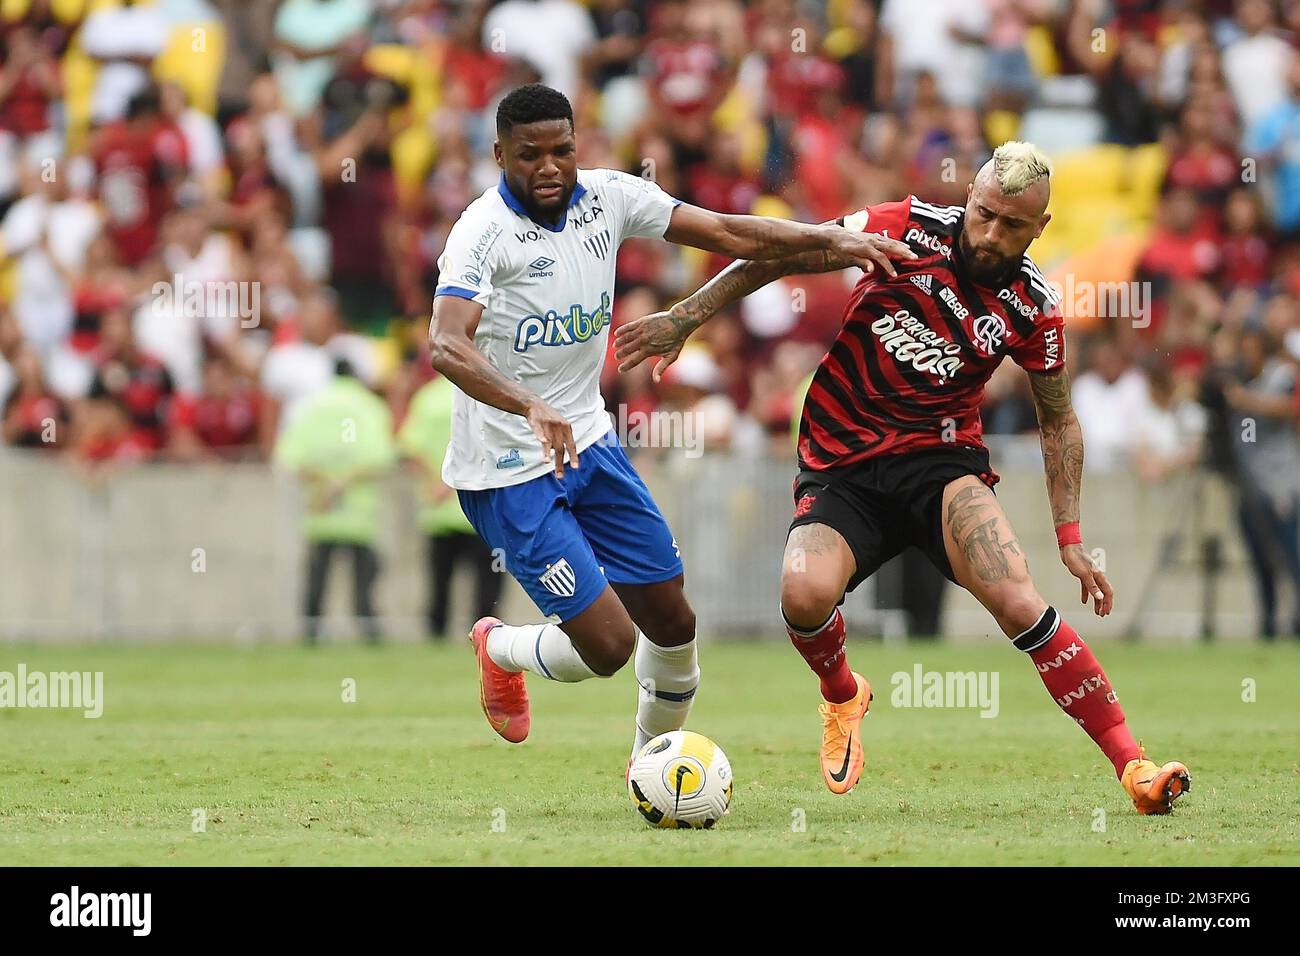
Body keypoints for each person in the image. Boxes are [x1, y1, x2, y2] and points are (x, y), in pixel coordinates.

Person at [615, 141, 1192, 814]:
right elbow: (783, 253)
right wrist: (684, 316)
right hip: (843, 464)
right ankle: (842, 695)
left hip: (940, 466)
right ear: (969, 199)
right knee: (802, 596)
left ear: (1040, 228)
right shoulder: (905, 229)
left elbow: (1059, 420)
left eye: (1011, 225)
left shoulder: (1033, 307)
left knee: (1019, 604)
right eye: (984, 213)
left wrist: (1069, 534)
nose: (990, 233)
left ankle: (1135, 769)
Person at [428, 83, 909, 766]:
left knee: (675, 623)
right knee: (610, 646)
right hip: (506, 470)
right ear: (500, 154)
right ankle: (499, 646)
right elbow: (446, 344)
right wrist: (527, 404)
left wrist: (830, 239)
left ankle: (648, 768)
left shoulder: (608, 198)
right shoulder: (481, 233)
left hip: (588, 442)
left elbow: (726, 231)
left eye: (562, 150)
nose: (549, 167)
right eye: (529, 154)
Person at [275, 358, 397, 644]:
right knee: (364, 581)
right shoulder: (370, 407)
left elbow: (289, 460)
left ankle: (310, 632)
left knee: (317, 578)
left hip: (320, 511)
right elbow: (381, 458)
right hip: (360, 515)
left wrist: (327, 485)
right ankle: (369, 632)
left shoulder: (309, 407)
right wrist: (344, 482)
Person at [398, 372, 504, 639]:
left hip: (440, 511)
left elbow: (409, 448)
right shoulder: (488, 390)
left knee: (440, 580)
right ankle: (486, 637)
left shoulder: (428, 398)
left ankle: (436, 632)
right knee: (488, 582)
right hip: (483, 509)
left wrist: (438, 483)